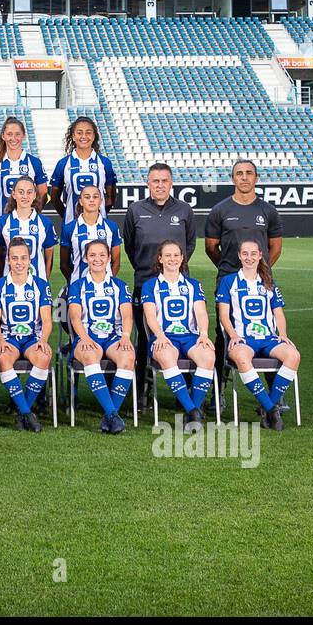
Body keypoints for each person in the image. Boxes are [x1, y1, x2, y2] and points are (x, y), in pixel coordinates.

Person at [205, 159, 283, 400]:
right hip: (228, 279)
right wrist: (233, 273)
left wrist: (257, 272)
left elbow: (275, 248)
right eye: (239, 173)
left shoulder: (268, 211)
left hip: (260, 282)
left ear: (256, 178)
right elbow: (211, 247)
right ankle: (218, 392)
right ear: (233, 179)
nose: (245, 177)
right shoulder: (220, 210)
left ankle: (275, 394)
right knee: (223, 334)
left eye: (249, 173)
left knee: (268, 329)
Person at [122, 162, 196, 412]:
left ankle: (183, 394)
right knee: (144, 339)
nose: (160, 185)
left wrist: (171, 269)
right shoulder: (135, 210)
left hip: (178, 286)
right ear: (148, 183)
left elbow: (190, 245)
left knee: (184, 334)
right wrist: (148, 269)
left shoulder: (184, 210)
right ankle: (142, 391)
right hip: (145, 283)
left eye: (165, 181)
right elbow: (130, 247)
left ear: (171, 183)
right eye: (155, 181)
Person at [216, 240, 301, 431]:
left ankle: (267, 407)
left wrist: (283, 334)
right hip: (244, 339)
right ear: (239, 256)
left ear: (260, 255)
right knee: (240, 357)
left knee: (293, 355)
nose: (249, 257)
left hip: (268, 339)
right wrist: (233, 335)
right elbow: (223, 315)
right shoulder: (228, 282)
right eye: (245, 254)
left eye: (253, 254)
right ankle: (272, 409)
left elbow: (278, 312)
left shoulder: (268, 281)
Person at [140, 240, 216, 433]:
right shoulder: (150, 285)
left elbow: (200, 313)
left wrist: (204, 334)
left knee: (208, 356)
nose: (172, 259)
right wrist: (159, 335)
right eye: (167, 255)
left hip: (190, 336)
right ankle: (193, 410)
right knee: (166, 356)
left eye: (176, 255)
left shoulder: (193, 285)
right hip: (164, 337)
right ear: (160, 259)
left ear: (182, 258)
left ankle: (192, 413)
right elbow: (149, 315)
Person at [66, 240, 136, 434]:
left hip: (114, 336)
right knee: (90, 354)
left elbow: (127, 314)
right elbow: (74, 317)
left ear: (109, 258)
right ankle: (113, 414)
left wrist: (126, 336)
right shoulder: (77, 285)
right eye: (93, 255)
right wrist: (85, 338)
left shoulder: (119, 285)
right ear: (86, 258)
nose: (97, 259)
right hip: (87, 336)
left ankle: (110, 416)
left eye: (102, 255)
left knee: (128, 357)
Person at [0, 238, 53, 433]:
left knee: (44, 357)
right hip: (9, 338)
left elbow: (47, 321)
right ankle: (27, 413)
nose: (19, 262)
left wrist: (43, 340)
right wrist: (0, 340)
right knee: (2, 357)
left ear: (30, 260)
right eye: (14, 258)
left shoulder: (41, 285)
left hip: (33, 337)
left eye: (23, 258)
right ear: (8, 260)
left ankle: (21, 411)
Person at [48, 115, 118, 226]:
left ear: (94, 136)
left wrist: (97, 213)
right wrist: (67, 216)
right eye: (79, 133)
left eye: (88, 132)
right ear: (73, 136)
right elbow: (54, 198)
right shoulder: (63, 164)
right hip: (71, 227)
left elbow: (111, 198)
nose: (84, 136)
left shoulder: (105, 163)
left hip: (100, 226)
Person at [0, 175, 57, 282]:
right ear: (14, 194)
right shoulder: (2, 222)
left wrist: (44, 281)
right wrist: (2, 279)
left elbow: (49, 258)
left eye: (29, 192)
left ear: (35, 195)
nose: (25, 196)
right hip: (9, 282)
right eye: (21, 192)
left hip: (38, 281)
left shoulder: (45, 223)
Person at [0, 116, 48, 220]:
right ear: (3, 136)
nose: (13, 138)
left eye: (17, 134)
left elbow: (43, 194)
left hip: (29, 221)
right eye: (9, 134)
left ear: (23, 136)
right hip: (2, 225)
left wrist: (33, 215)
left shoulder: (34, 162)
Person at [59, 183, 123, 284]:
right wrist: (74, 282)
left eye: (95, 197)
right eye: (87, 197)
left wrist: (107, 279)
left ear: (101, 201)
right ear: (80, 201)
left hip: (106, 285)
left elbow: (116, 262)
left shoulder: (111, 227)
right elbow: (63, 264)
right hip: (78, 285)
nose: (91, 200)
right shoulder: (69, 228)